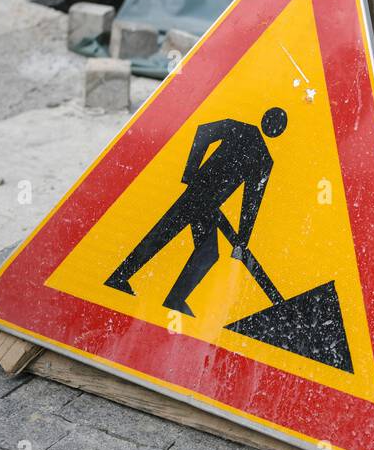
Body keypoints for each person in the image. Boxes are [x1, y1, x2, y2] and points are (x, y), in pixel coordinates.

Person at [104, 108, 288, 317]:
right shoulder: (258, 149)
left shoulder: (247, 137)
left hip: (205, 200)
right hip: (201, 196)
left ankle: (144, 287)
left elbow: (250, 202)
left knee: (177, 240)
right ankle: (133, 284)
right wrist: (189, 174)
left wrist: (191, 174)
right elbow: (250, 203)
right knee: (169, 236)